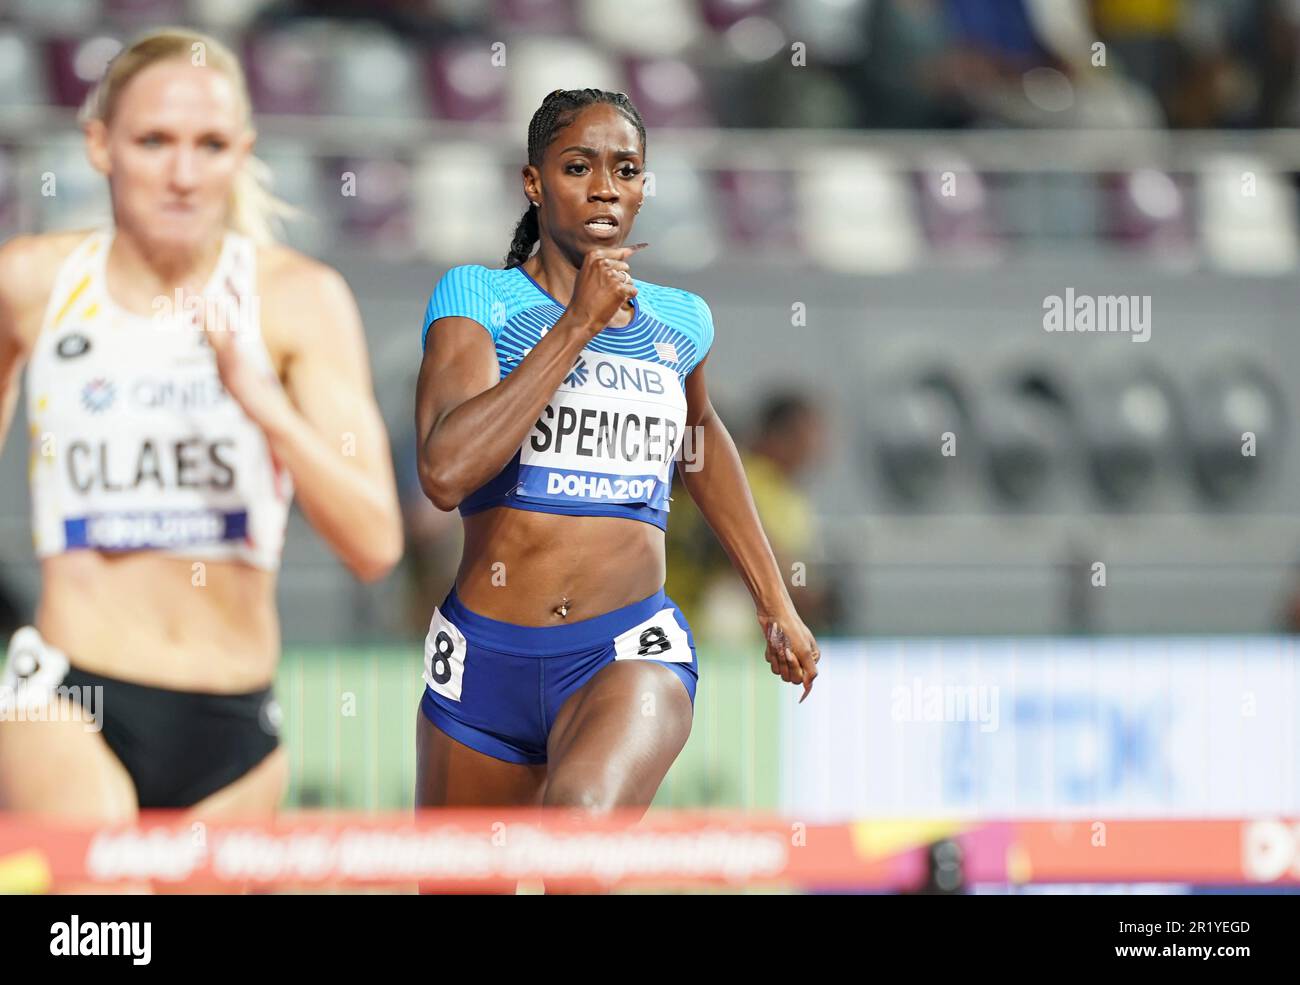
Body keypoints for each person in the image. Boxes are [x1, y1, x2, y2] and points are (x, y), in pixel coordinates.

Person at [0, 28, 403, 823]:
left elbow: (375, 543)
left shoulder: (299, 299)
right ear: (99, 144)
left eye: (210, 145)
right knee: (105, 915)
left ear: (242, 151)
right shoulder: (31, 282)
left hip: (235, 722)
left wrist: (262, 403)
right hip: (68, 689)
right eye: (153, 141)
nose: (183, 175)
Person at [413, 88, 820, 831]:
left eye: (626, 169)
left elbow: (703, 446)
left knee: (581, 832)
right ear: (534, 183)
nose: (605, 187)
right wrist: (576, 327)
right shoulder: (479, 299)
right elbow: (445, 471)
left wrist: (775, 602)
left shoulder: (681, 319)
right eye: (578, 166)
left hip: (624, 649)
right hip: (482, 662)